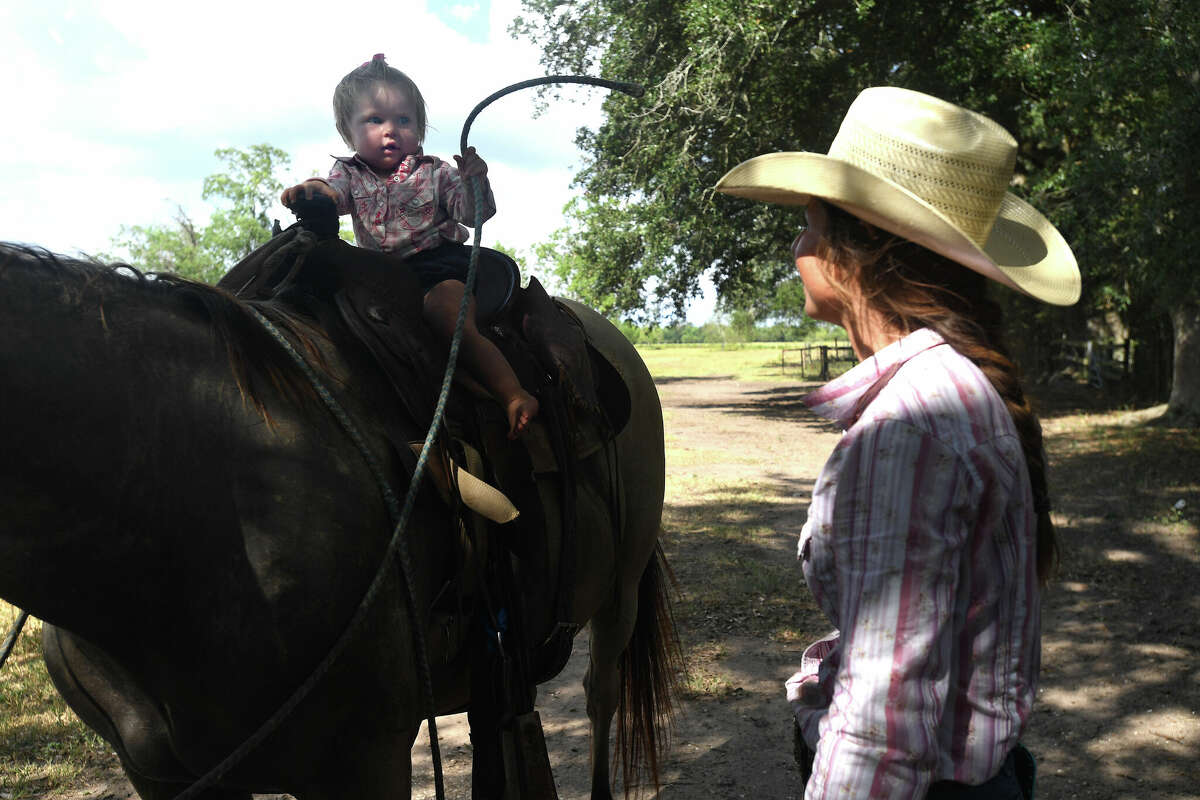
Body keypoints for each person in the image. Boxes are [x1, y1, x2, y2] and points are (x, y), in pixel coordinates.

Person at [715, 86, 1080, 798]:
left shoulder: (904, 429)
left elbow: (881, 728)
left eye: (811, 225)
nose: (797, 247)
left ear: (857, 254)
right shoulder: (958, 386)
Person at [281, 54, 539, 439]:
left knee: (446, 314)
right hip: (379, 278)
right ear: (347, 131)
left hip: (440, 267)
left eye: (404, 120)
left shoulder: (435, 172)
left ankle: (512, 393)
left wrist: (474, 181)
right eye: (375, 120)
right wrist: (314, 190)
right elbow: (334, 192)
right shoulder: (348, 173)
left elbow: (473, 214)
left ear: (419, 128)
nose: (391, 130)